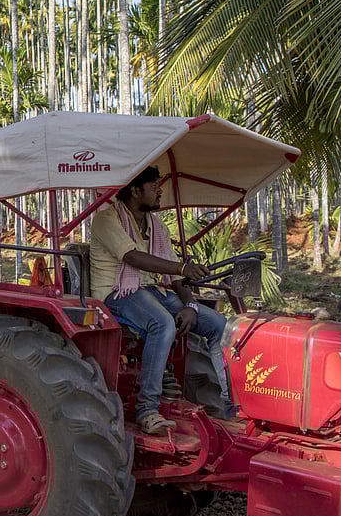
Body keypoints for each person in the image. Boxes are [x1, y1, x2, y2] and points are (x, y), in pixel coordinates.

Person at [89, 166, 233, 435]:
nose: (160, 191)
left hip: (152, 290)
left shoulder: (156, 226)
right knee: (163, 324)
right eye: (154, 186)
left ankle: (222, 400)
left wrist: (190, 304)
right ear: (135, 191)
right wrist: (180, 269)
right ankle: (148, 409)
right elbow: (132, 257)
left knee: (216, 322)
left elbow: (171, 270)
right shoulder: (106, 219)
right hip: (117, 293)